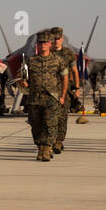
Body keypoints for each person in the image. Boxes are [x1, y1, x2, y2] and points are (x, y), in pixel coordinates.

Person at [19, 31, 69, 161]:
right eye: (40, 43)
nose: (43, 45)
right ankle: (41, 147)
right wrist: (23, 82)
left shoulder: (58, 61)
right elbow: (21, 78)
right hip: (34, 99)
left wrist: (63, 96)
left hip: (52, 98)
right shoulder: (30, 61)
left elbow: (65, 78)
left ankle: (47, 148)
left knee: (50, 124)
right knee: (36, 125)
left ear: (50, 44)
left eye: (46, 43)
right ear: (37, 44)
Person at [50, 27, 79, 154]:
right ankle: (51, 140)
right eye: (54, 39)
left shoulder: (69, 53)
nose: (56, 41)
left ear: (62, 39)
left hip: (65, 90)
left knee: (62, 117)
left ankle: (59, 141)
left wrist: (77, 88)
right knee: (50, 118)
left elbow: (75, 71)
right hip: (49, 91)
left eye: (58, 38)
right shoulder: (46, 53)